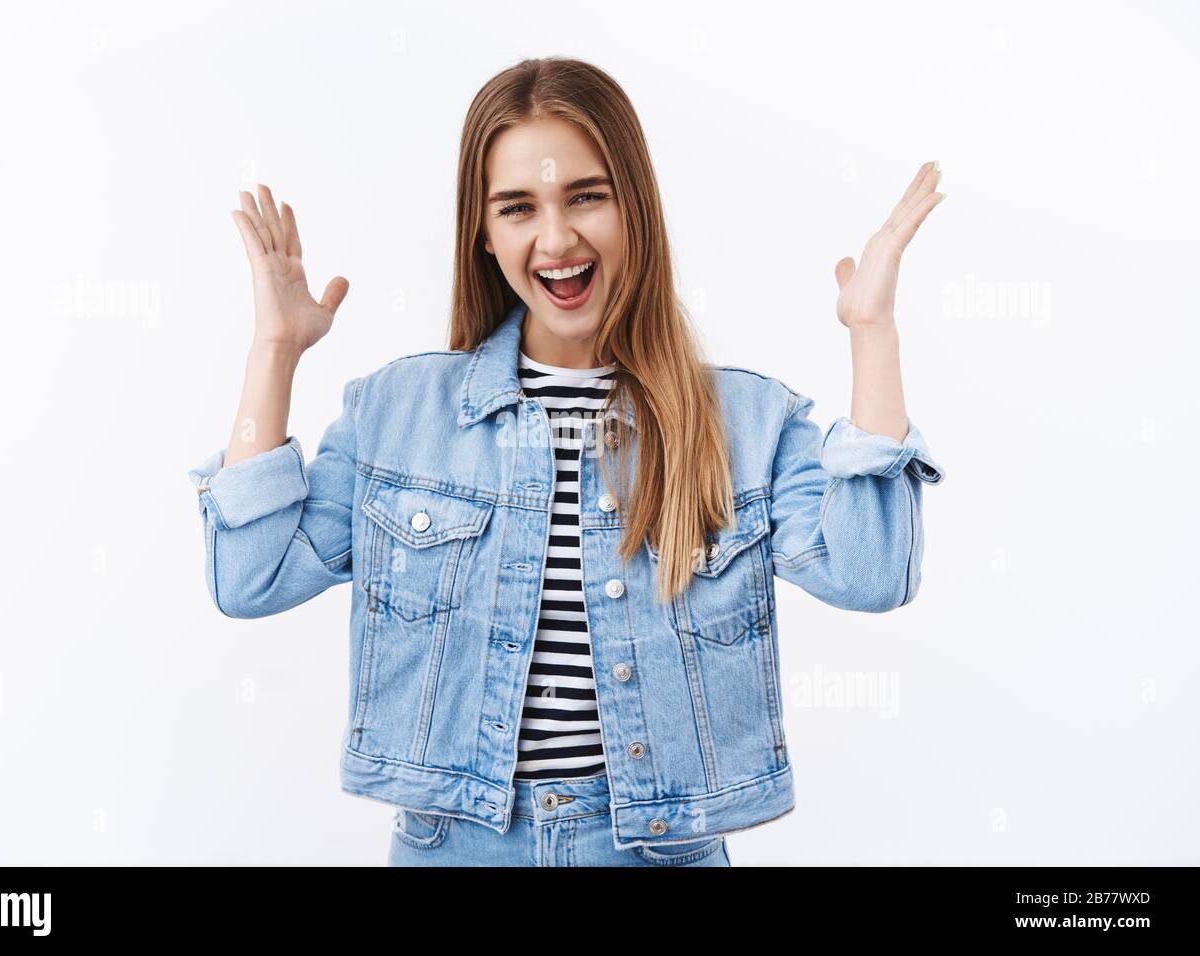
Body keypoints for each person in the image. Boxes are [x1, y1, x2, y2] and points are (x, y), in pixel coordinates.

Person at [188, 56, 946, 867]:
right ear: (484, 233)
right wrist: (274, 351)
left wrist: (873, 332)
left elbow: (870, 575)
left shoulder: (743, 424)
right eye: (518, 207)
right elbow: (250, 576)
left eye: (587, 195)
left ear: (636, 206)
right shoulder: (398, 414)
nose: (556, 239)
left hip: (656, 851)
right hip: (458, 848)